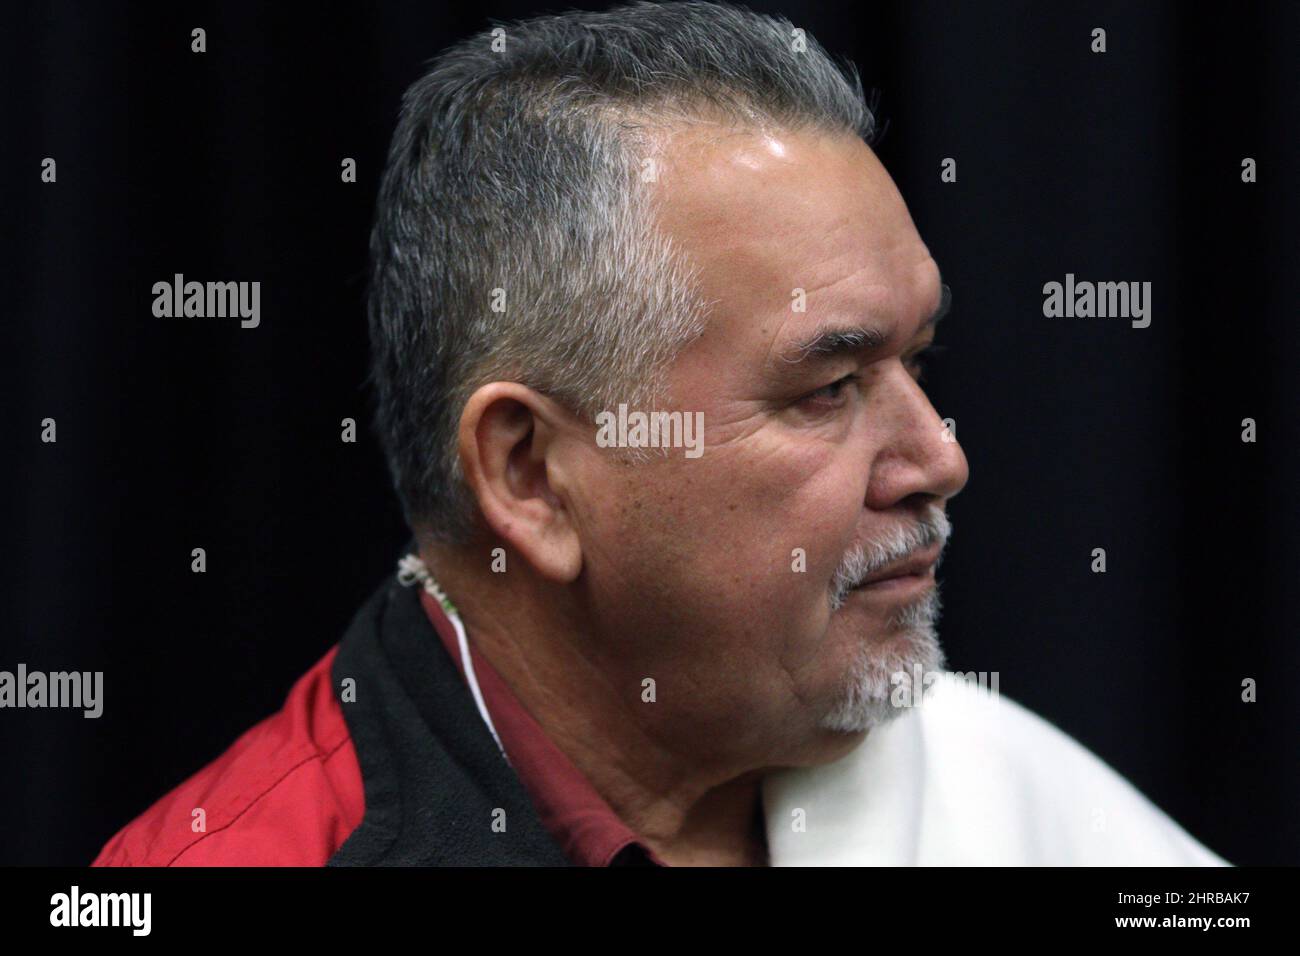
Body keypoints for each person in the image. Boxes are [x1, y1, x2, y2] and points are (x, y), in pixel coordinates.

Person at [93, 1, 1227, 867]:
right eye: (827, 387)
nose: (939, 457)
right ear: (530, 475)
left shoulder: (1020, 799)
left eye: (914, 360)